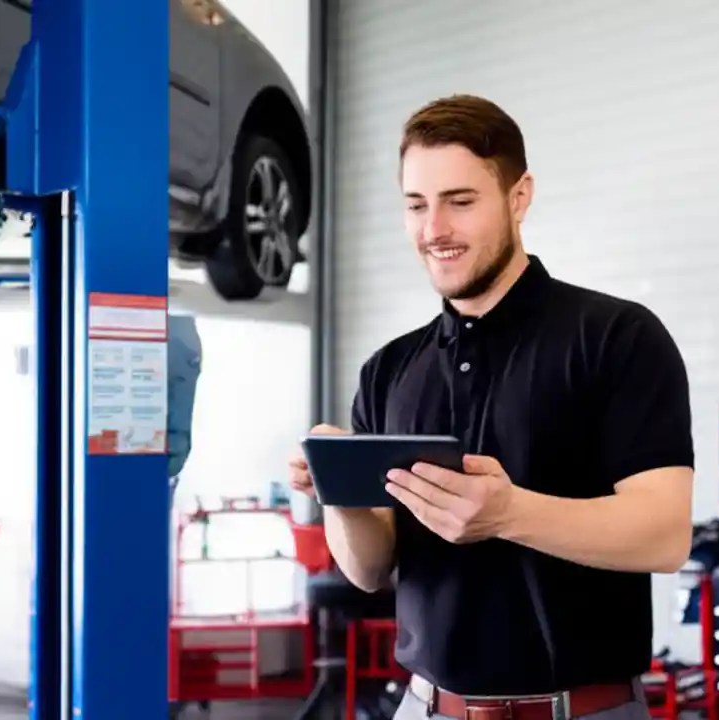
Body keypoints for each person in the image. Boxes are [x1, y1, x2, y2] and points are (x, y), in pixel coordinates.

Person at [288, 94, 695, 720]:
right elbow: (370, 570)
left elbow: (664, 535)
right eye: (416, 205)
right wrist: (337, 489)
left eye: (460, 201)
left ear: (519, 196)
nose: (434, 230)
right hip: (426, 709)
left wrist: (508, 513)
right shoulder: (388, 371)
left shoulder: (617, 337)